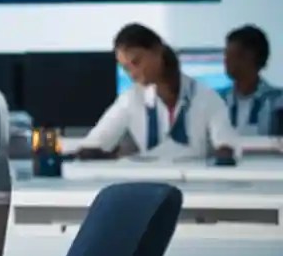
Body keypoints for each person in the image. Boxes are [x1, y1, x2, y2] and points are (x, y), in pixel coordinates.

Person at [78, 23, 236, 160]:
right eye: (126, 68)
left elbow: (227, 147)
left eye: (136, 62)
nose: (132, 74)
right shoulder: (131, 99)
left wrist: (222, 153)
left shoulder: (206, 97)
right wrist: (112, 157)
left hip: (195, 186)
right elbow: (94, 144)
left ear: (157, 51)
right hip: (149, 187)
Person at [222, 25, 281, 137]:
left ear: (249, 56)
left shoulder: (278, 104)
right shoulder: (218, 101)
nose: (225, 60)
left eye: (229, 54)